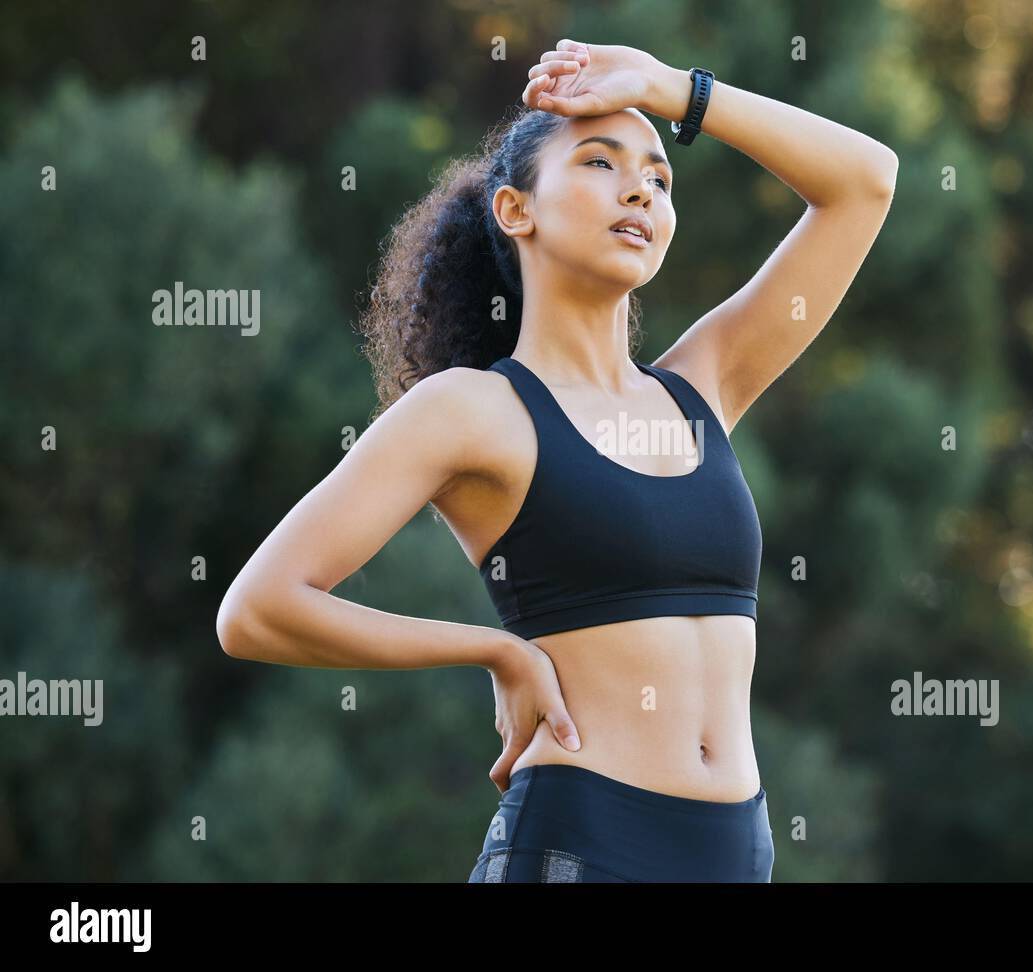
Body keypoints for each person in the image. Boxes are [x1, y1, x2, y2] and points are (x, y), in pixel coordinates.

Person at [215, 38, 897, 882]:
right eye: (600, 162)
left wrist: (671, 89)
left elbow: (865, 183)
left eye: (658, 175)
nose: (640, 186)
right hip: (582, 844)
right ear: (516, 210)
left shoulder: (703, 385)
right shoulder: (474, 410)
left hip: (734, 857)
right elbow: (258, 609)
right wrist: (493, 652)